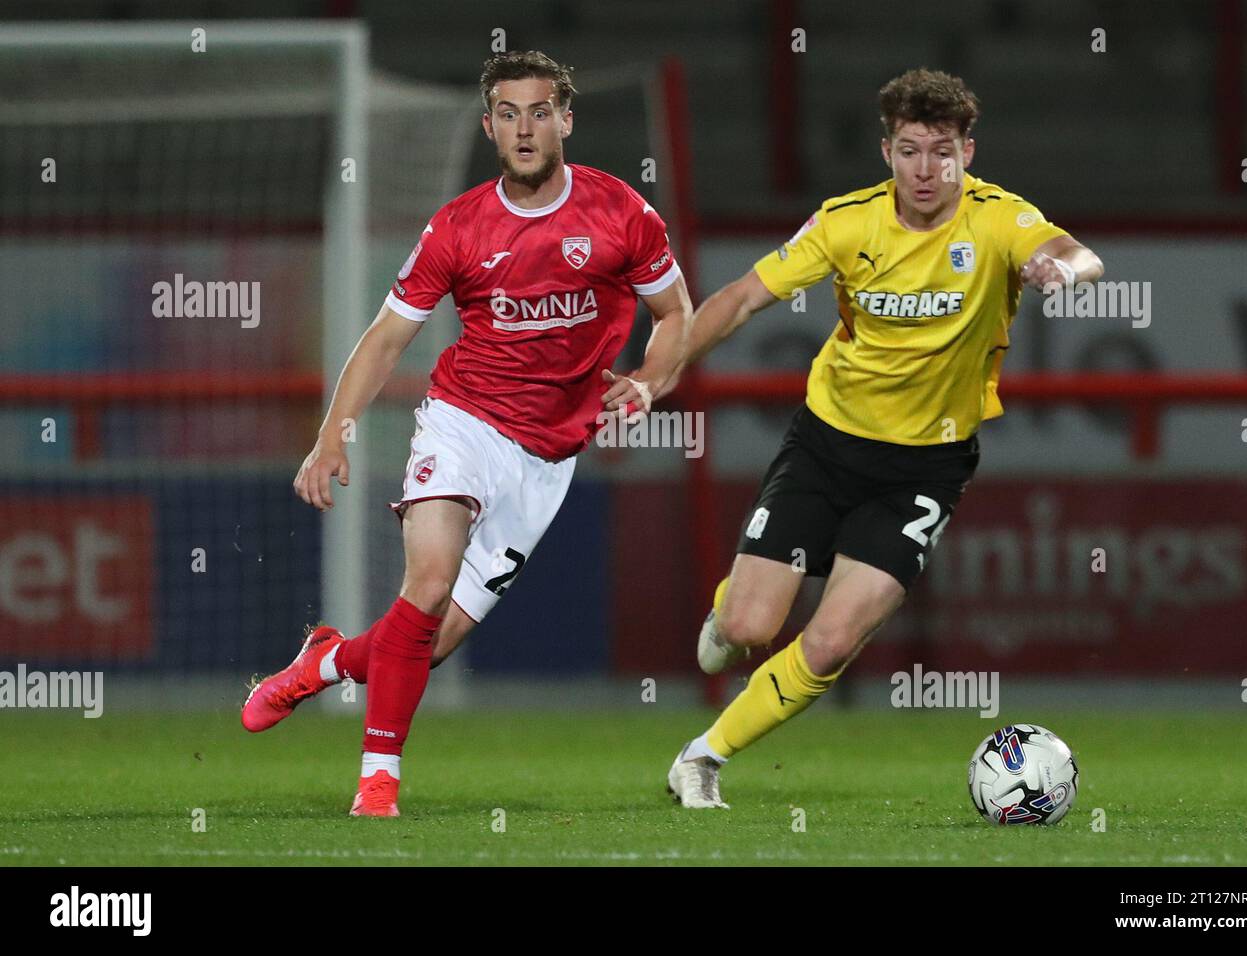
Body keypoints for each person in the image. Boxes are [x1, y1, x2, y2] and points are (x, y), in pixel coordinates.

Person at [242, 50, 692, 817]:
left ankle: (324, 663)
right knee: (425, 583)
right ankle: (378, 783)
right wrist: (331, 435)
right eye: (508, 113)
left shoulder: (621, 214)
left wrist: (650, 381)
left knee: (432, 638)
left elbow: (678, 315)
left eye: (539, 111)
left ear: (565, 121)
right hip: (464, 421)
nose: (525, 127)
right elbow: (385, 337)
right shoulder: (457, 227)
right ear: (488, 127)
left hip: (549, 456)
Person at [665, 68, 1103, 809]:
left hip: (925, 470)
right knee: (744, 628)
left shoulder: (1000, 220)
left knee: (832, 643)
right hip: (827, 445)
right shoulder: (847, 221)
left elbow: (1079, 252)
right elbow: (741, 298)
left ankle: (703, 757)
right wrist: (658, 373)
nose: (924, 170)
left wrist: (1058, 268)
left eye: (941, 151)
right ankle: (731, 605)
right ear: (885, 151)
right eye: (909, 151)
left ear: (969, 151)